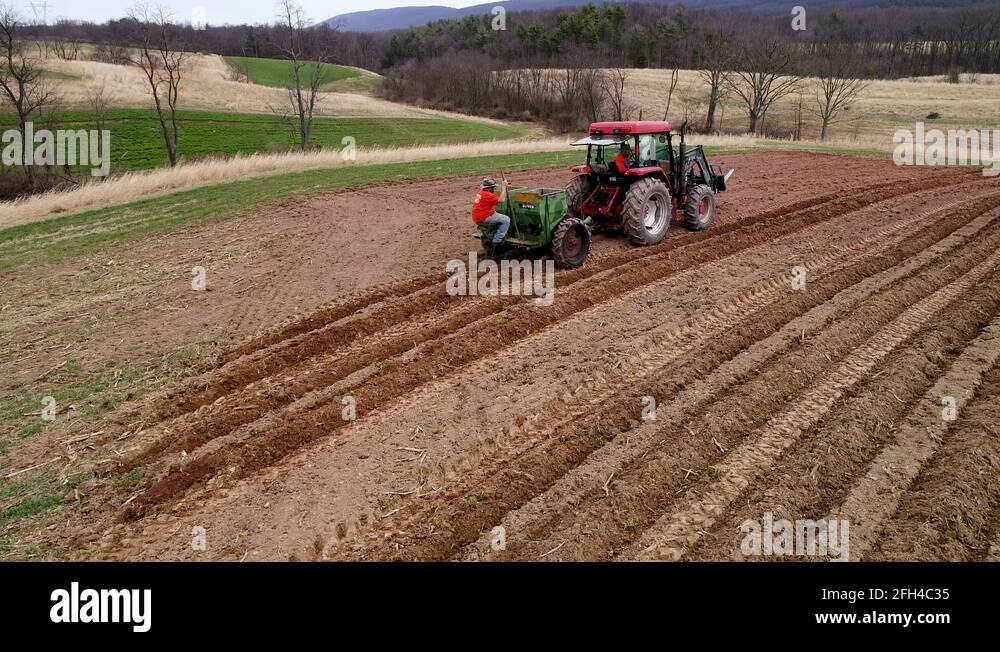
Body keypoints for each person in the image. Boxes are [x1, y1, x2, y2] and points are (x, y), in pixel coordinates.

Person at [472, 178, 510, 247]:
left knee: (496, 214)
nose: (494, 189)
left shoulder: (481, 192)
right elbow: (501, 200)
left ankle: (486, 233)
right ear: (490, 188)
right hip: (483, 217)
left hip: (476, 216)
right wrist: (504, 187)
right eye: (493, 187)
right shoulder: (488, 195)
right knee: (506, 219)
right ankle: (497, 240)